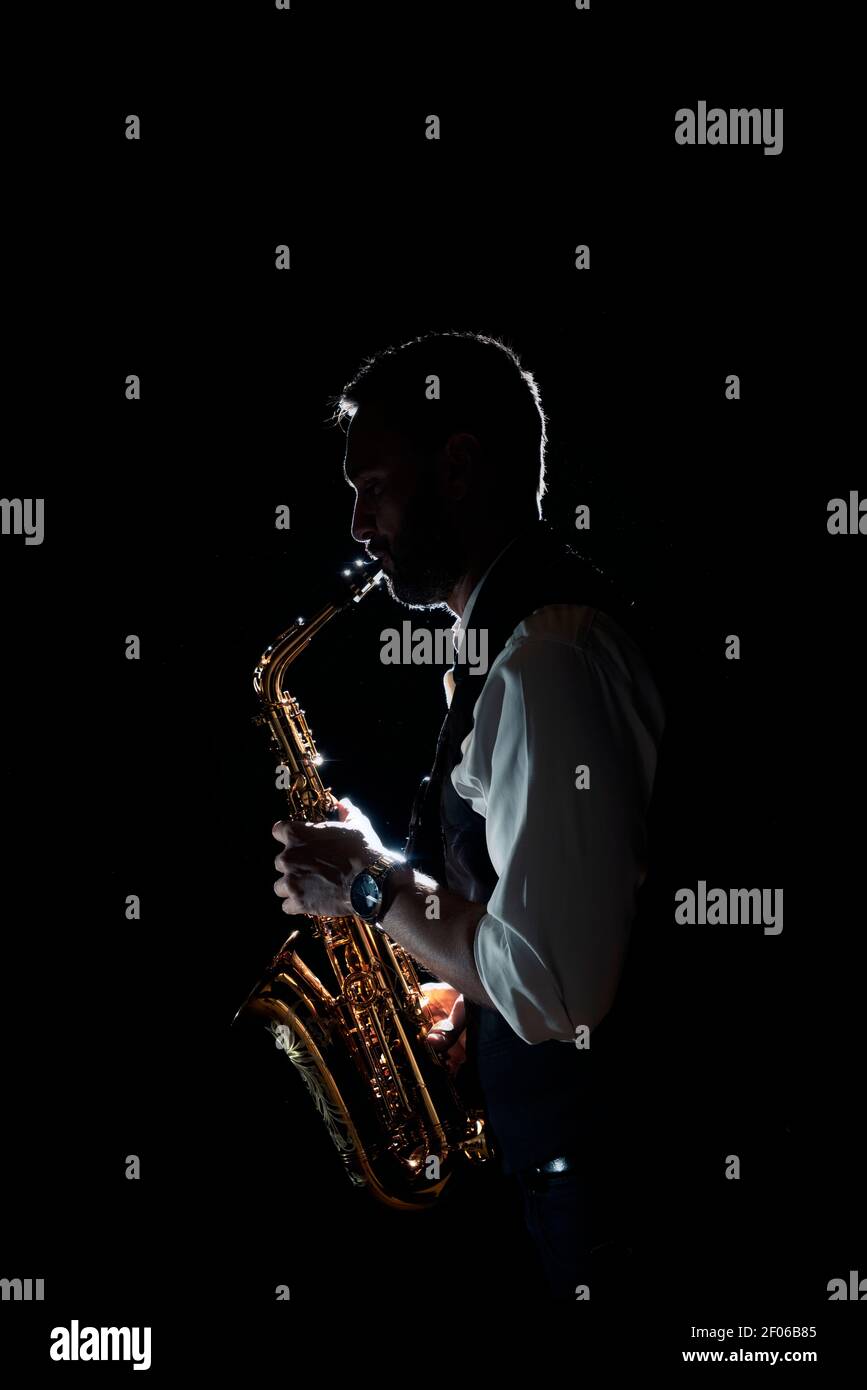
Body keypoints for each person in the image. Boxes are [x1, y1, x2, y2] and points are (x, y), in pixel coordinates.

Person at [271, 331, 665, 1298]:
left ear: (456, 468)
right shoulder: (511, 643)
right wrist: (463, 995)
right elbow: (529, 950)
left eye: (374, 485)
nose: (359, 525)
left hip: (613, 1204)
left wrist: (370, 882)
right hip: (578, 1185)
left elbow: (557, 994)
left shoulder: (547, 659)